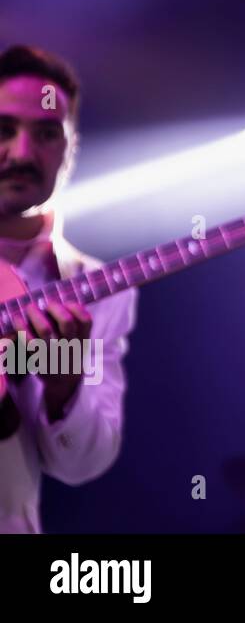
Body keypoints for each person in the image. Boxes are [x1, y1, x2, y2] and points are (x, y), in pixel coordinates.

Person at [0, 45, 136, 534]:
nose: (21, 153)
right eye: (3, 129)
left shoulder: (98, 289)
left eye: (46, 134)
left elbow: (82, 466)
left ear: (70, 149)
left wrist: (65, 388)